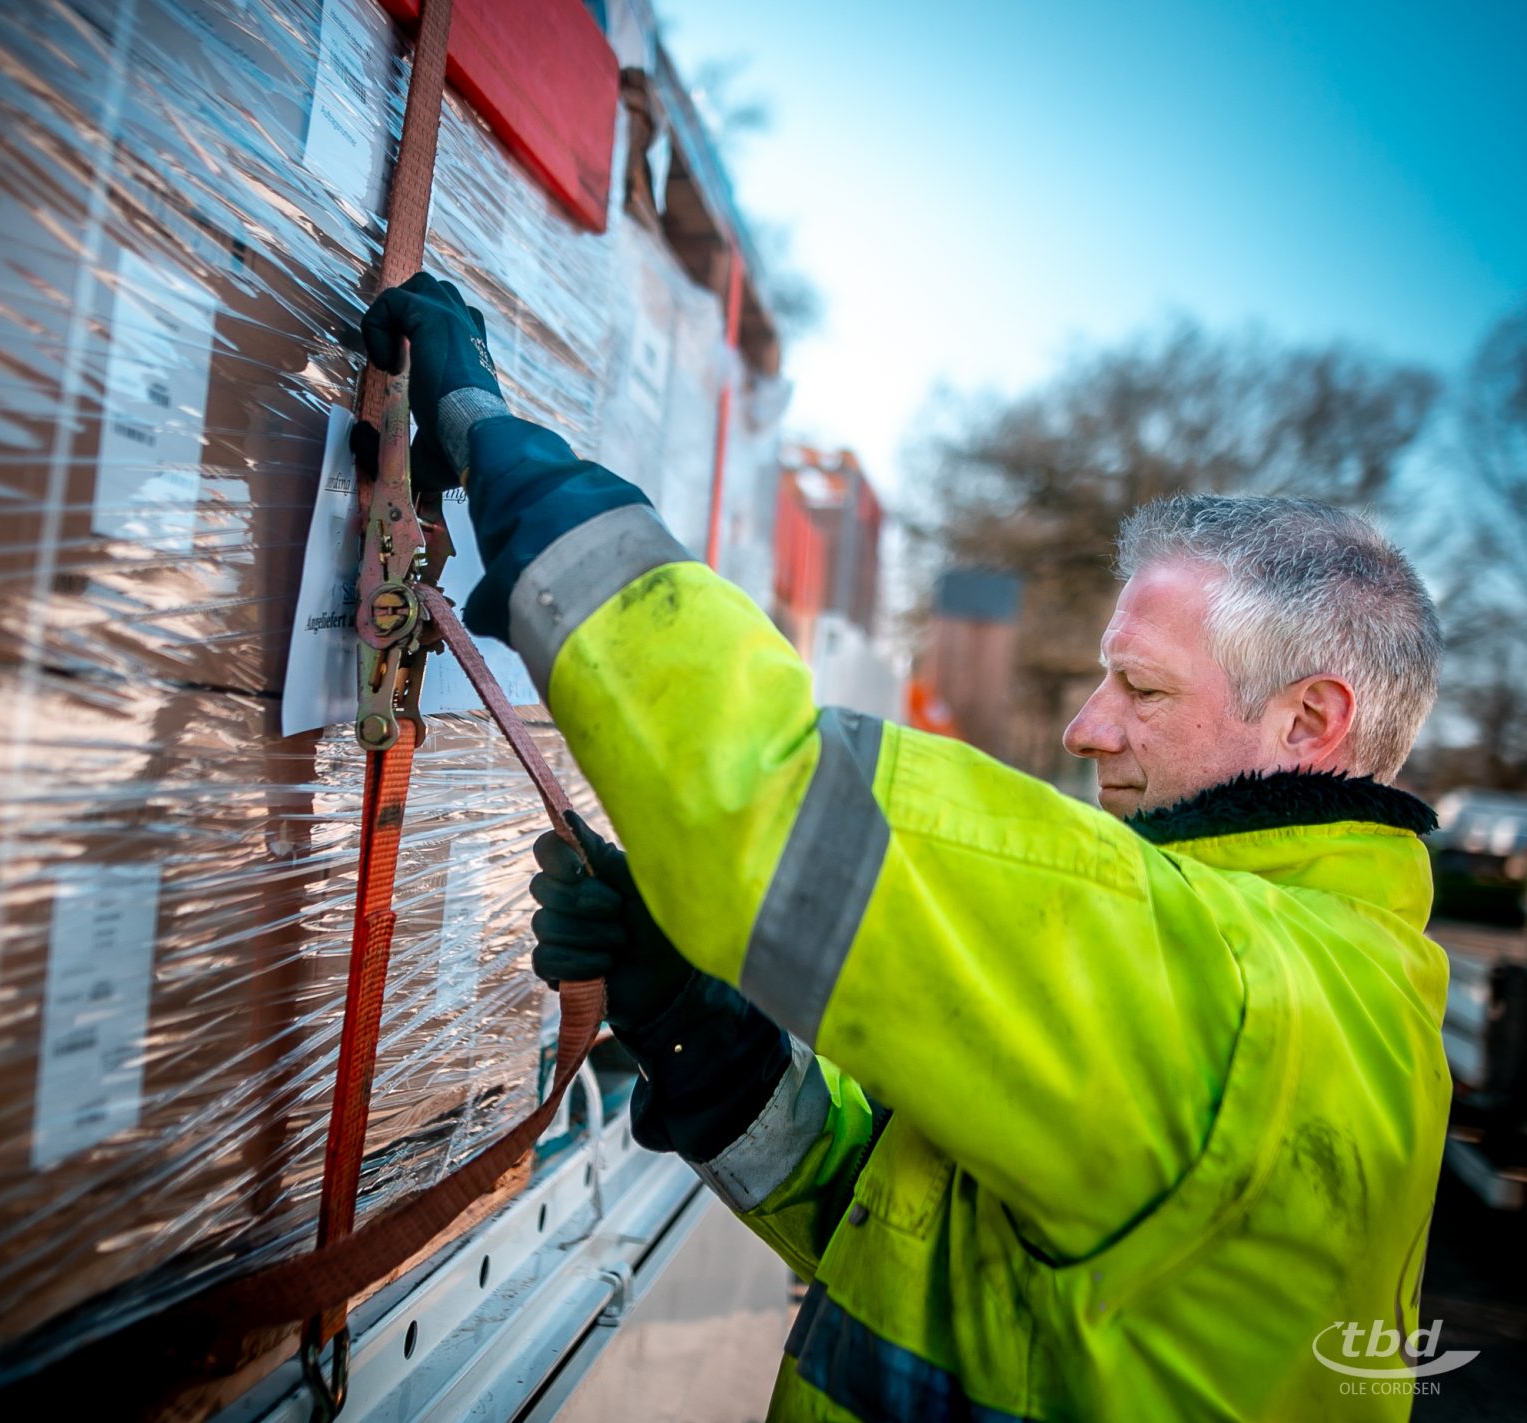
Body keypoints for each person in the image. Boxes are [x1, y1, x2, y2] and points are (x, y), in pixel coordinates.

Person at [359, 273, 1451, 1420]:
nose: (1086, 725)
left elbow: (757, 786)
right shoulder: (1344, 986)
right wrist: (689, 1021)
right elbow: (900, 1241)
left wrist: (487, 435)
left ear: (1310, 723)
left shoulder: (1236, 996)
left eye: (1138, 686)